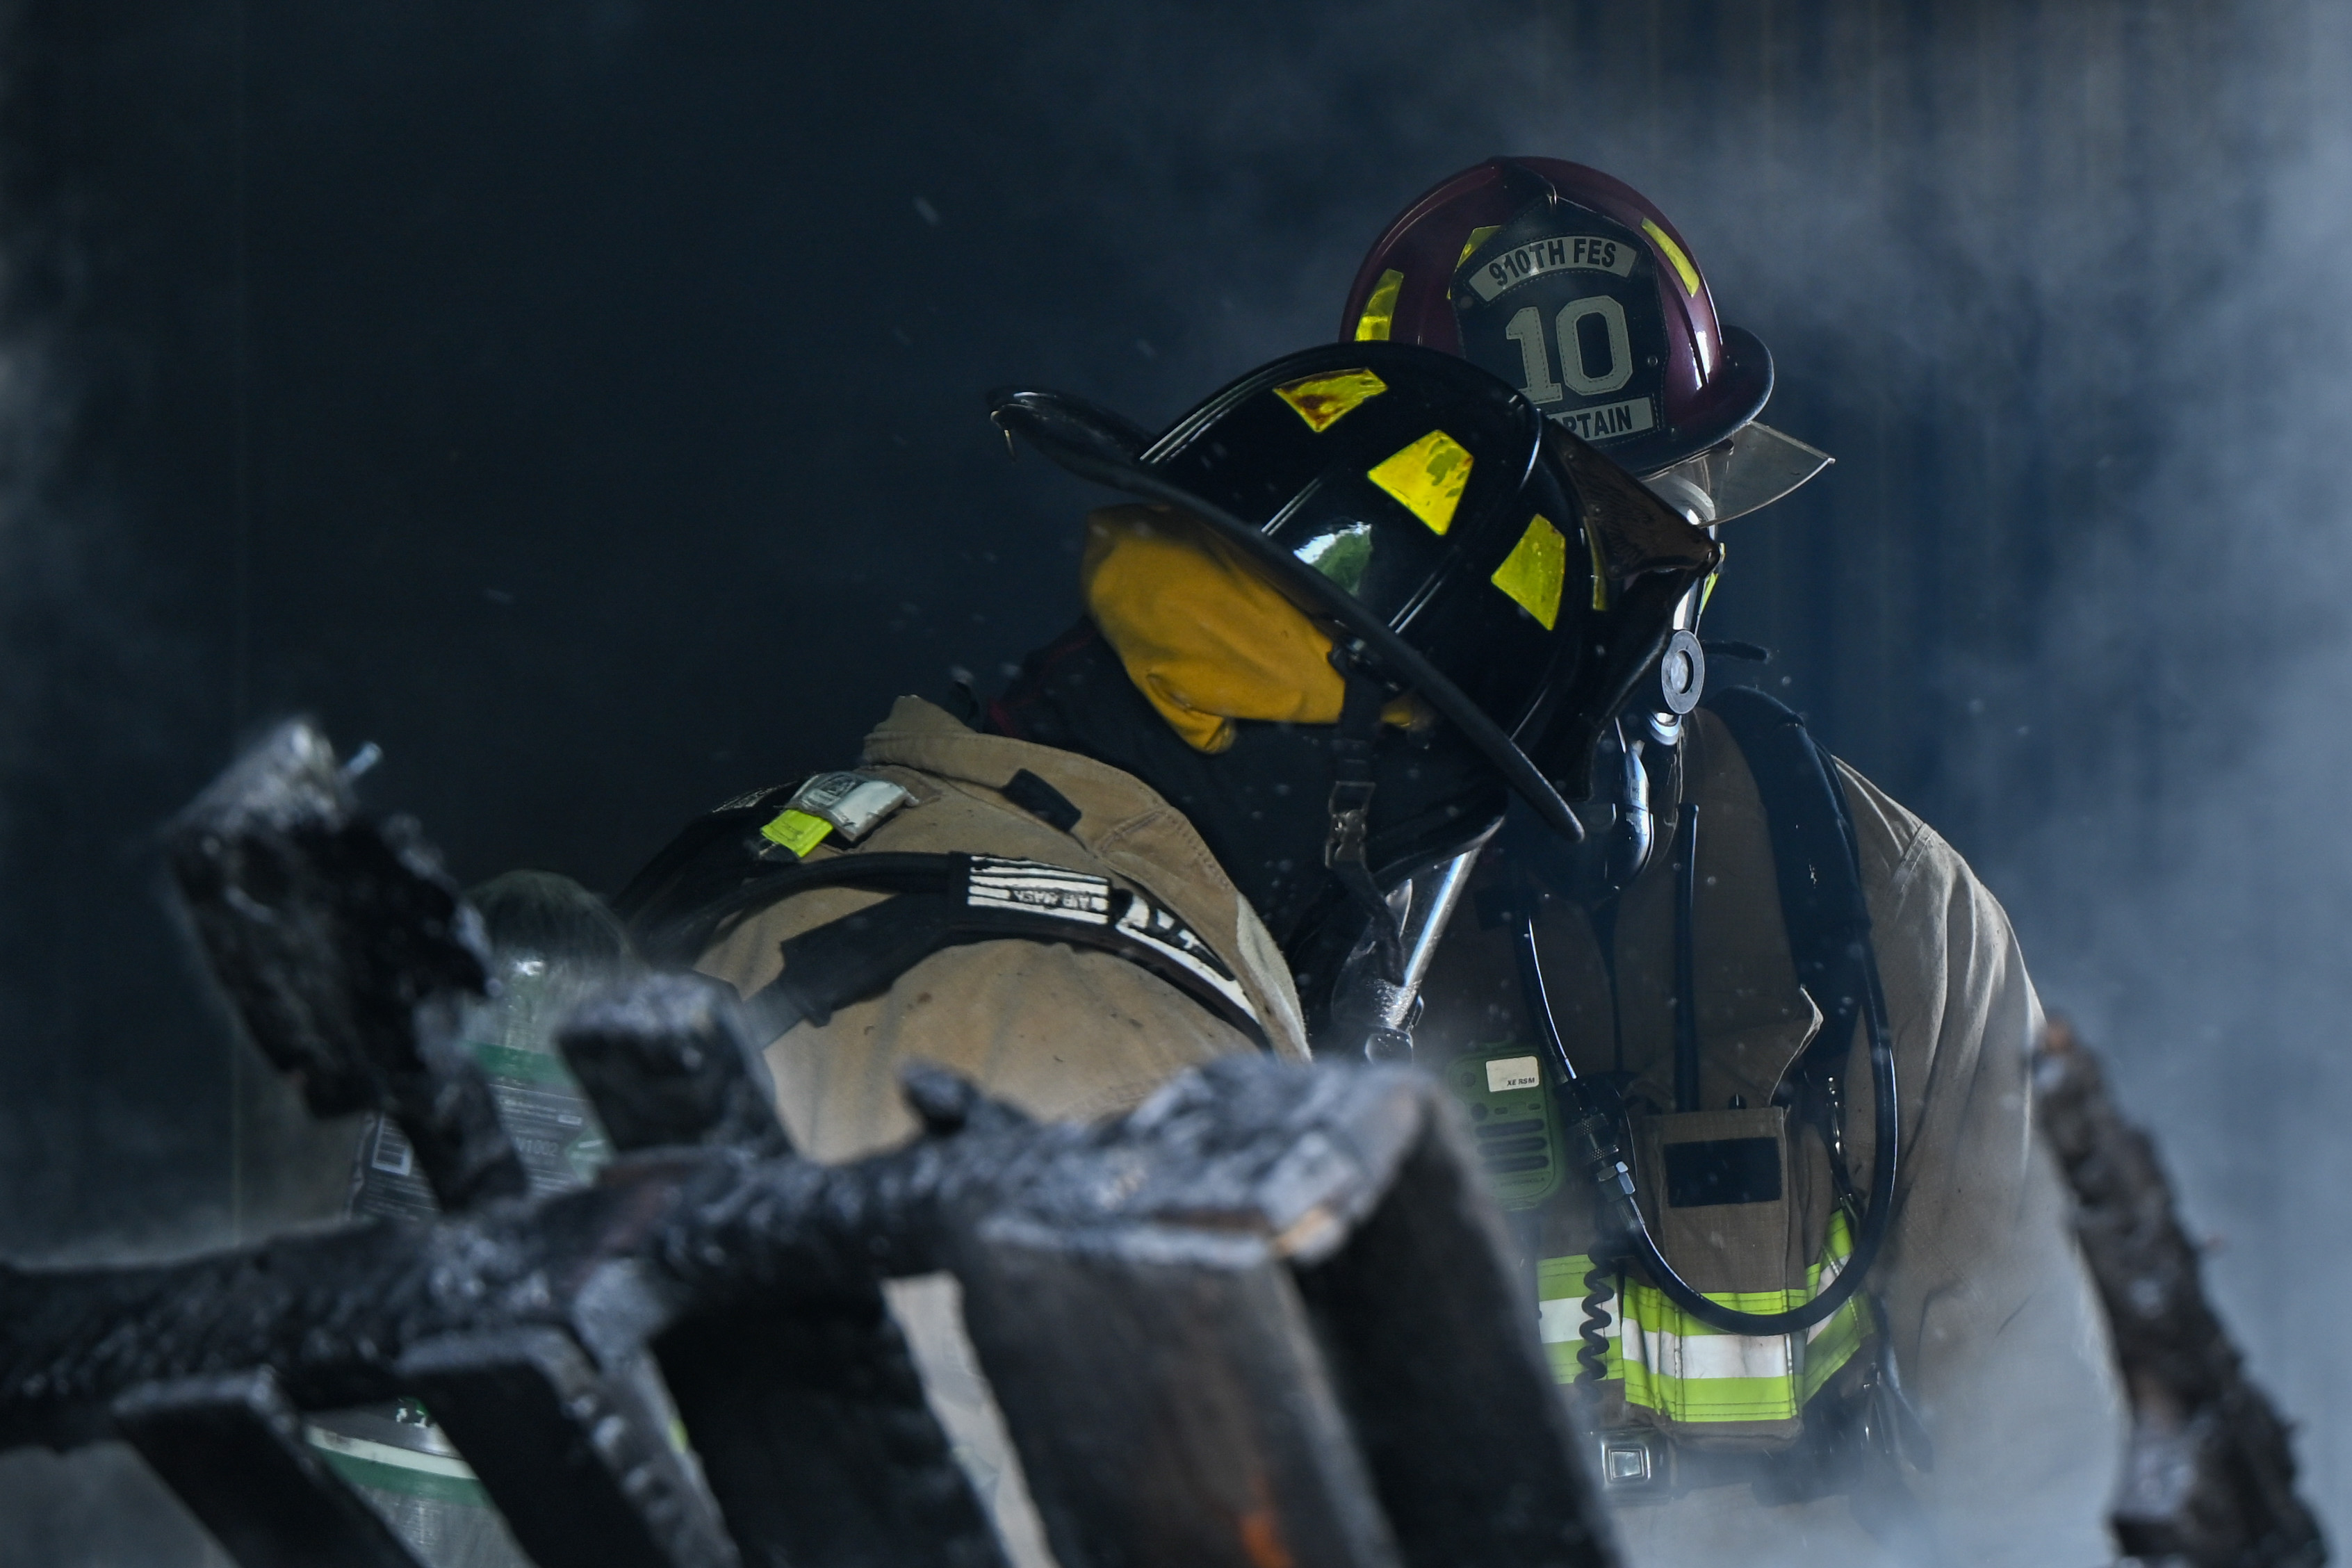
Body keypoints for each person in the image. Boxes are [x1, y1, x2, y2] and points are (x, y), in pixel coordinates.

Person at [612, 336, 1720, 1554]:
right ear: (1346, 774)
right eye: (1433, 823)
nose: (1398, 899)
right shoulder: (1126, 1074)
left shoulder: (838, 843)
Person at [1348, 158, 2127, 1563]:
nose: (1614, 600)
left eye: (1656, 524)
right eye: (1550, 542)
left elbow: (2036, 1450)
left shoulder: (1886, 901)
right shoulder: (1304, 909)